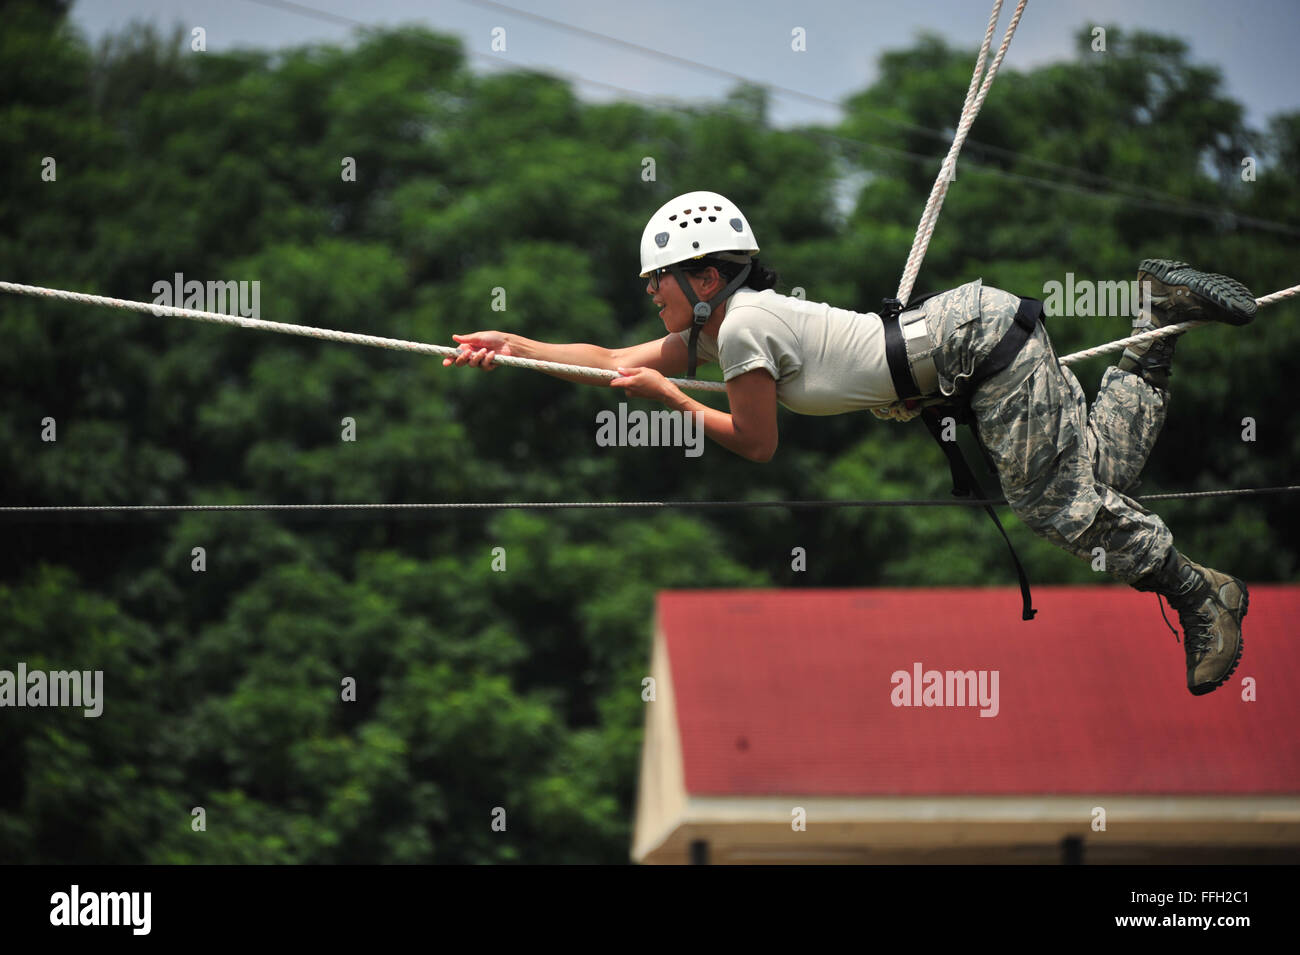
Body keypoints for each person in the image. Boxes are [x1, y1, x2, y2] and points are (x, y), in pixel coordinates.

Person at [444, 190, 1257, 696]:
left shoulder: (745, 332)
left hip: (975, 347)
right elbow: (610, 360)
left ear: (701, 278)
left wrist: (666, 399)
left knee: (1054, 506)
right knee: (1096, 481)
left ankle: (1196, 593)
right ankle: (1157, 316)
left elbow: (755, 444)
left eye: (654, 279)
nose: (647, 294)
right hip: (976, 346)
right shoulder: (736, 323)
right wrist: (513, 345)